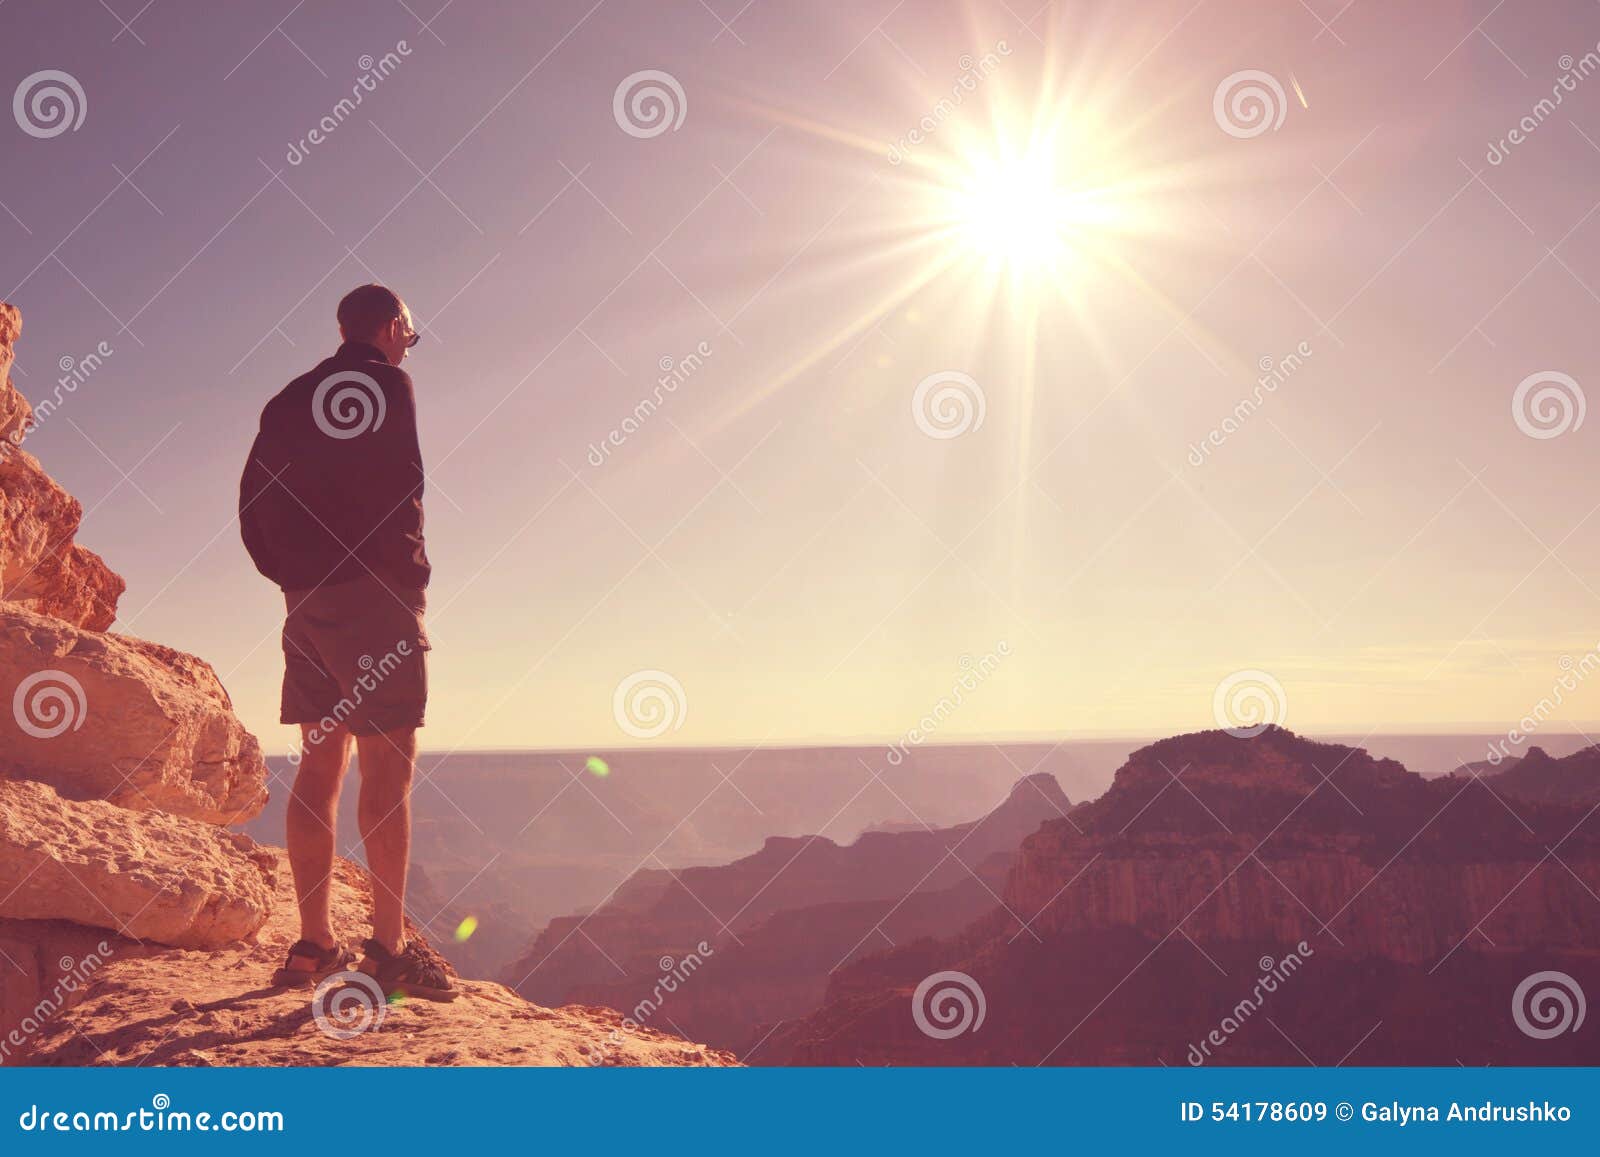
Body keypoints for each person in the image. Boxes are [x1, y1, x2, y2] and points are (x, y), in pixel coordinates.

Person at [239, 283, 453, 1001]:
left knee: (319, 760)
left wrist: (291, 576)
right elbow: (403, 487)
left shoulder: (289, 400)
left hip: (306, 603)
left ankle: (314, 943)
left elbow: (252, 499)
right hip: (373, 598)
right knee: (387, 768)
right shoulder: (387, 383)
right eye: (410, 335)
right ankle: (389, 951)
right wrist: (406, 578)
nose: (408, 346)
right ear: (391, 327)